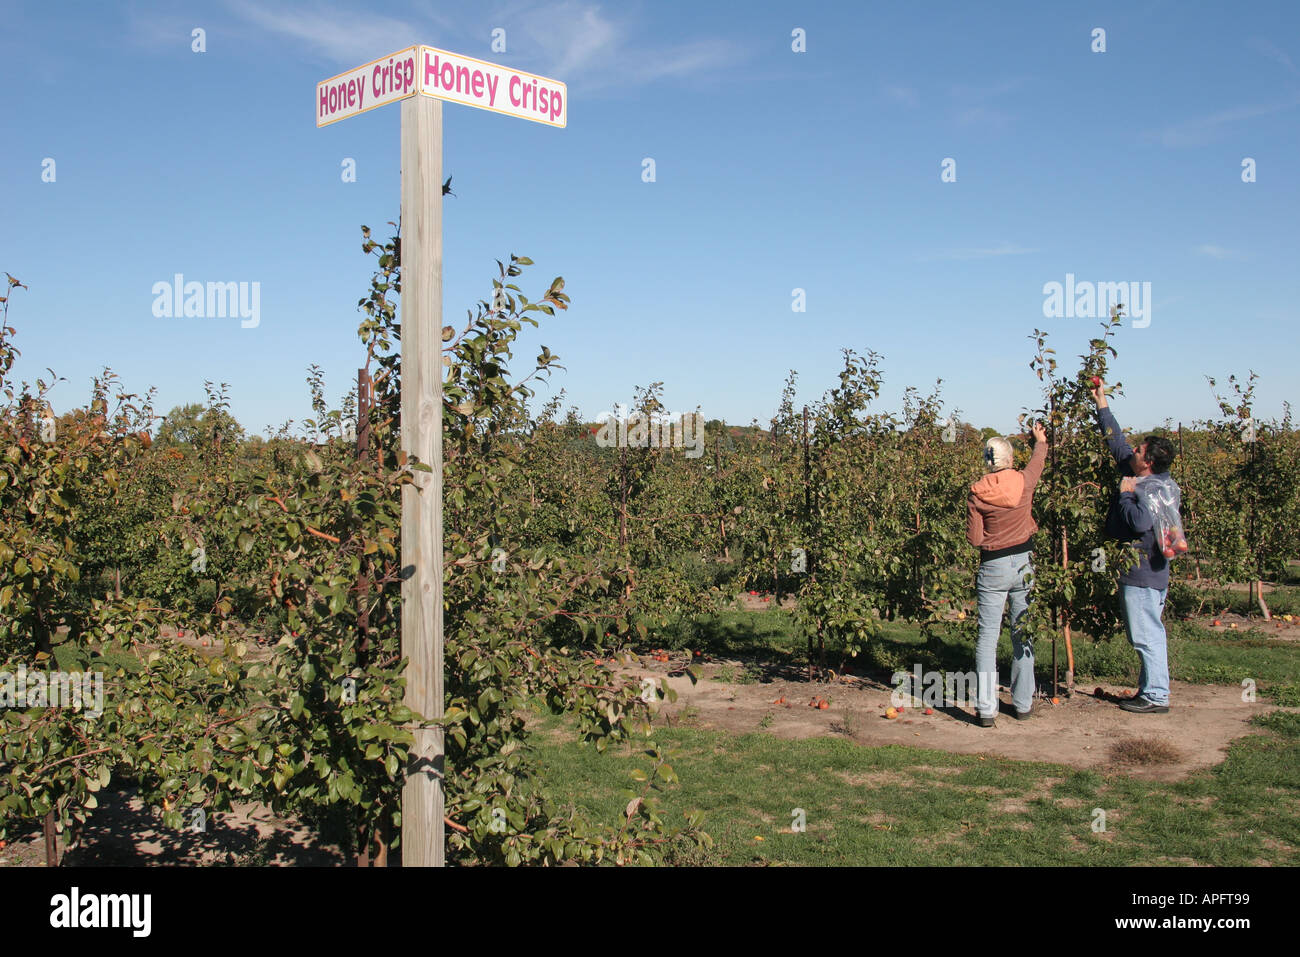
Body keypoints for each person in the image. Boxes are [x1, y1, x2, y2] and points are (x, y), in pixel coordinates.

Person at [1090, 379, 1179, 714]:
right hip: (1152, 571)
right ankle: (1149, 690)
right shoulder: (1153, 478)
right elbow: (1119, 446)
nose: (1134, 452)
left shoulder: (1150, 487)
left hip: (1142, 572)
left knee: (1145, 635)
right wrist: (1102, 405)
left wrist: (1126, 493)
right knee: (1147, 632)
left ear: (1150, 464)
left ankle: (1156, 696)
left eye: (1141, 451)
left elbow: (1140, 522)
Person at [966, 421, 1048, 727]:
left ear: (987, 462)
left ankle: (987, 710)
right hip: (1024, 562)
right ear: (1010, 459)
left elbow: (974, 539)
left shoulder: (976, 493)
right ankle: (1023, 704)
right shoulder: (1024, 481)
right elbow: (1038, 460)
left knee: (988, 638)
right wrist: (1040, 440)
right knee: (1021, 633)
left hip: (994, 565)